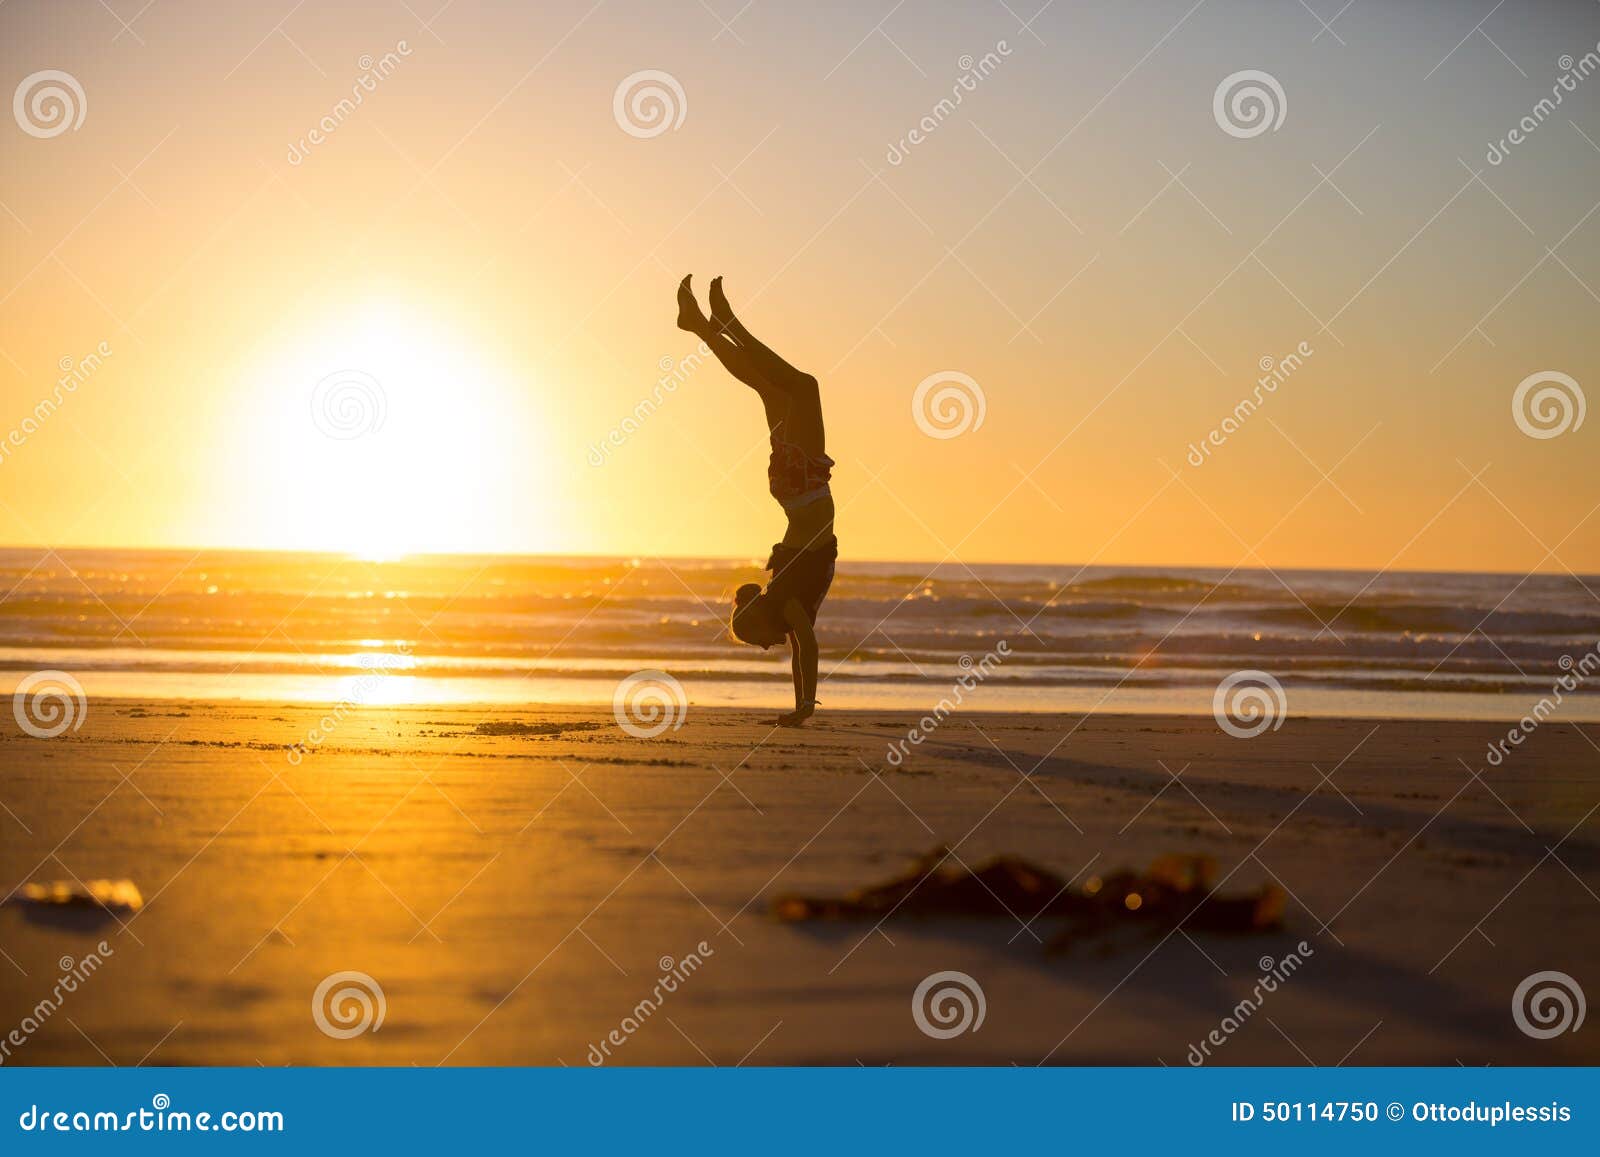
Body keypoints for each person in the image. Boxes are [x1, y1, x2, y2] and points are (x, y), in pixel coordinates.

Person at [677, 275, 835, 727]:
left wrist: (805, 706)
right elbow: (800, 649)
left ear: (763, 619)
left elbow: (808, 646)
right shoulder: (784, 601)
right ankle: (706, 326)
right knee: (776, 390)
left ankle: (725, 325)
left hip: (802, 486)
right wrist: (801, 703)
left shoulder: (787, 604)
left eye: (759, 640)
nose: (769, 646)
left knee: (804, 388)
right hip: (794, 488)